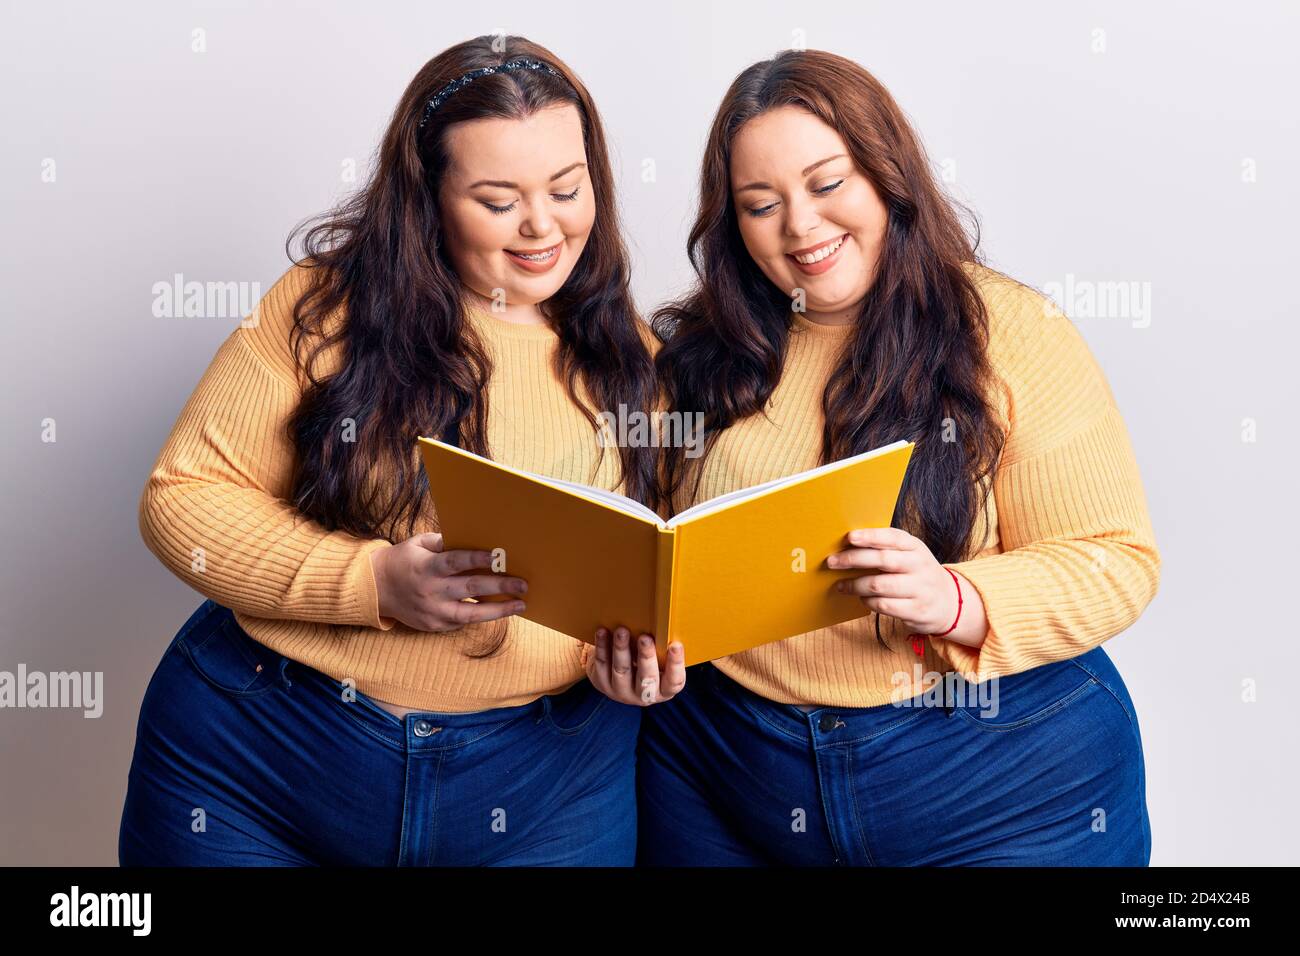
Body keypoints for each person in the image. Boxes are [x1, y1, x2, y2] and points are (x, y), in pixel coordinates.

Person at [119, 35, 679, 867]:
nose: (543, 226)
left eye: (567, 188)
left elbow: (649, 579)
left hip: (541, 785)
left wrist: (640, 666)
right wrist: (374, 582)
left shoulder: (637, 360)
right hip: (262, 754)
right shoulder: (323, 308)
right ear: (427, 198)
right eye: (497, 200)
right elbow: (182, 499)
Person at [637, 48, 1161, 866]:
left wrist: (955, 599)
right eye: (760, 204)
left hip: (997, 773)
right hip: (731, 770)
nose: (801, 227)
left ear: (887, 173)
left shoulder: (1013, 332)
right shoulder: (696, 352)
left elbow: (1117, 562)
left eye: (826, 183)